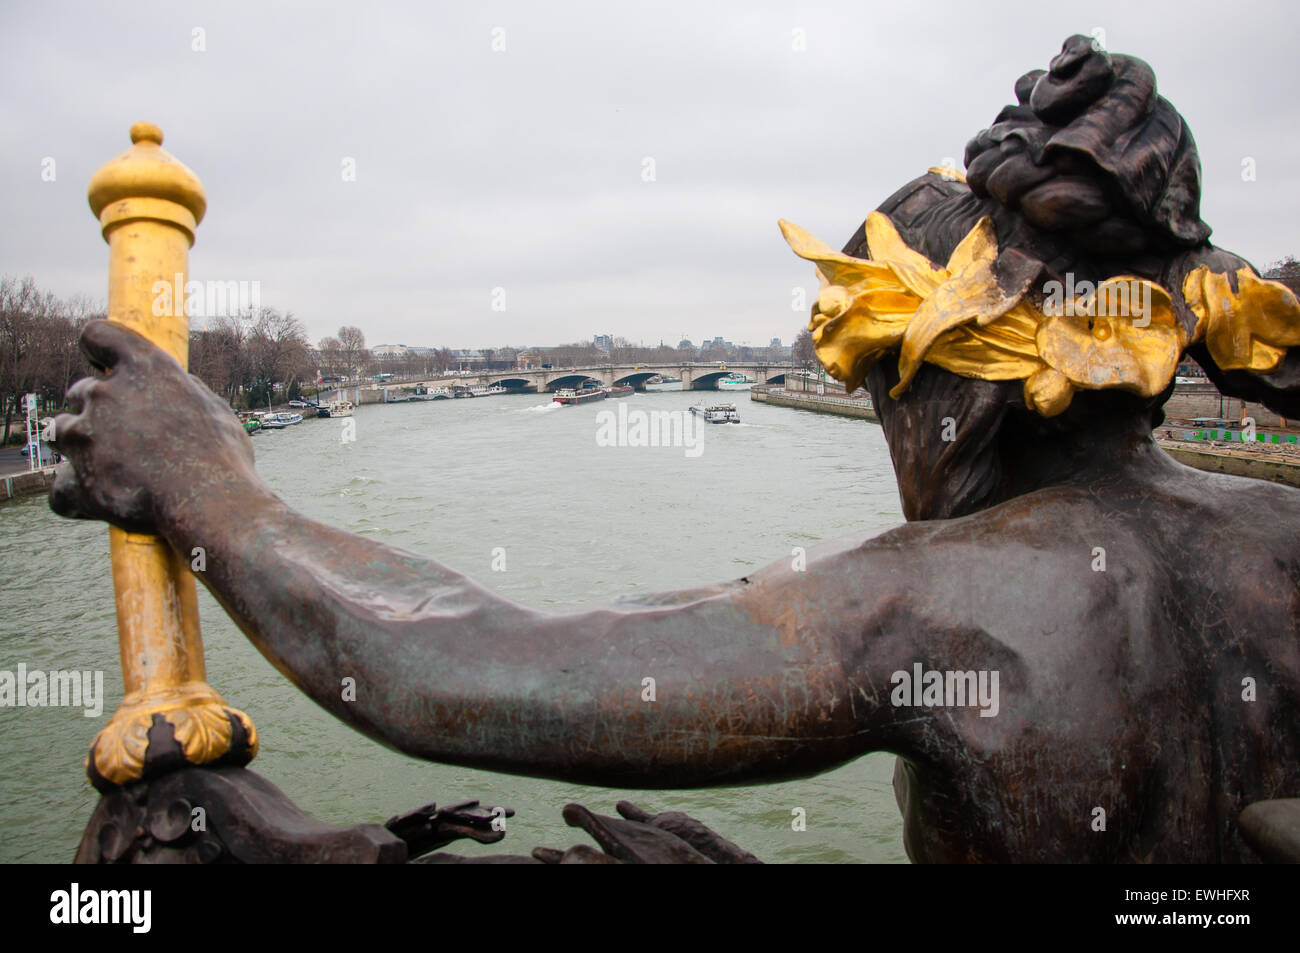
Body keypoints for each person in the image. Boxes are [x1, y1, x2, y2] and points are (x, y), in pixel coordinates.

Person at [49, 36, 1300, 862]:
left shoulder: (942, 601)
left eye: (873, 389)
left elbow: (448, 667)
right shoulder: (1277, 543)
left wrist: (209, 487)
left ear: (948, 379)